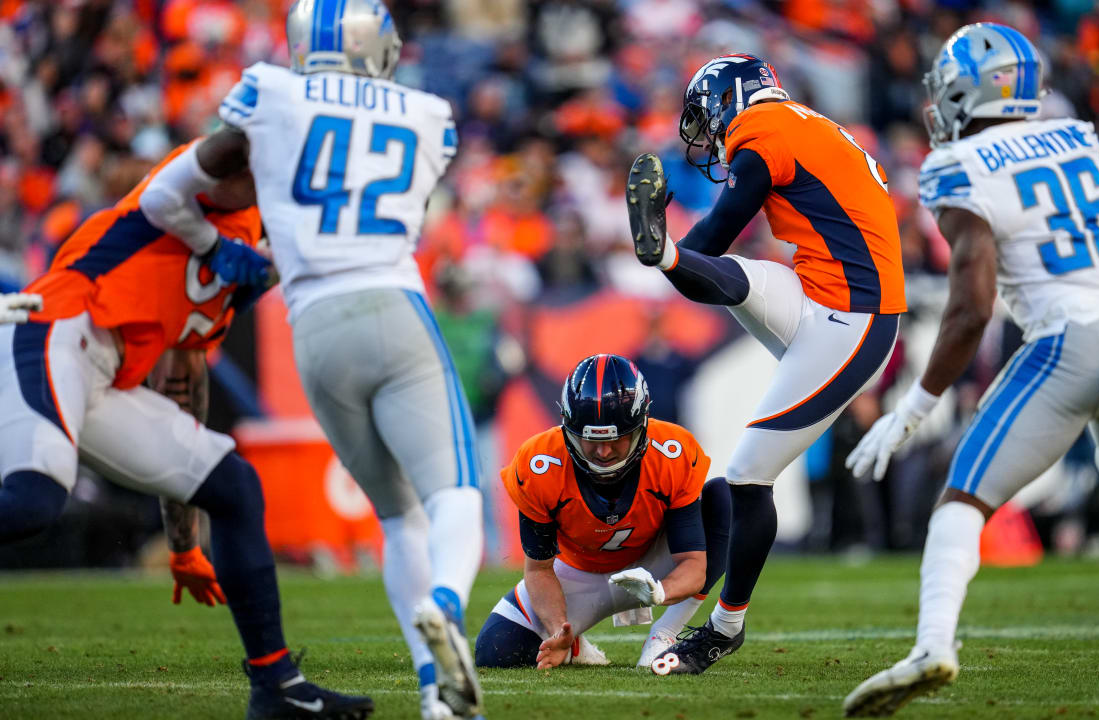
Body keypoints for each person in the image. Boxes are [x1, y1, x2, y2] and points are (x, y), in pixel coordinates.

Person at [842, 23, 1099, 716]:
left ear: (965, 89)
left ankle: (933, 643)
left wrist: (914, 408)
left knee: (961, 502)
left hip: (1069, 342)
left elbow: (971, 308)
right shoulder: (1076, 136)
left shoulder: (958, 167)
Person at [135, 2, 484, 718]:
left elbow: (165, 196)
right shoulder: (426, 112)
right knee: (456, 496)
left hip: (312, 328)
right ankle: (445, 606)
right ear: (378, 47)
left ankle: (437, 693)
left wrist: (215, 246)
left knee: (398, 520)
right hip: (392, 305)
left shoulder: (270, 89)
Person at [0, 145, 373, 719]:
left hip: (104, 375)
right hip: (53, 328)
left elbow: (185, 382)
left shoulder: (254, 261)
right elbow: (195, 173)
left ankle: (277, 687)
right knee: (31, 503)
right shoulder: (221, 187)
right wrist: (218, 242)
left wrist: (181, 544)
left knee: (232, 485)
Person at [626, 53, 904, 674]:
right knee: (736, 281)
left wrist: (671, 253)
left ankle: (726, 626)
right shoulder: (801, 124)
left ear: (731, 98)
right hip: (820, 296)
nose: (707, 133)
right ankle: (663, 253)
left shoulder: (766, 129)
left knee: (748, 475)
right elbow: (712, 257)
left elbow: (723, 225)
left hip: (854, 321)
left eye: (706, 116)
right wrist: (673, 258)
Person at [473, 354, 730, 670]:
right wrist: (559, 630)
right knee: (496, 652)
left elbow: (693, 564)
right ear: (568, 428)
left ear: (640, 427)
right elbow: (539, 569)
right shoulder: (541, 463)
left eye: (616, 439)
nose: (604, 452)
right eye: (590, 440)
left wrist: (661, 591)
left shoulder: (671, 452)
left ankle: (664, 637)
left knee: (724, 499)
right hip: (579, 572)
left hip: (653, 563)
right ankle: (575, 646)